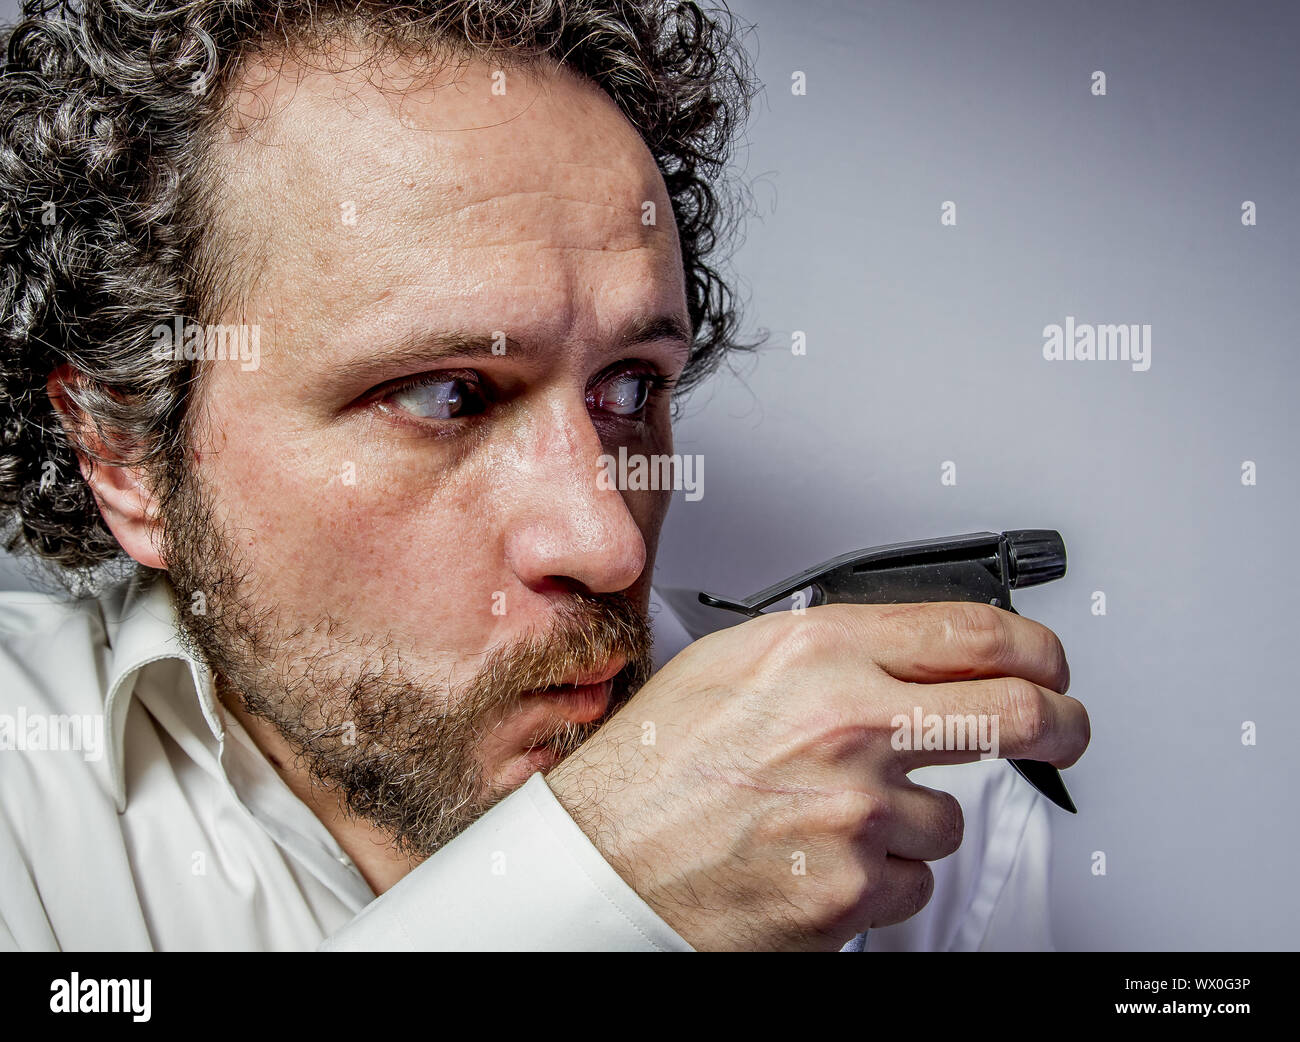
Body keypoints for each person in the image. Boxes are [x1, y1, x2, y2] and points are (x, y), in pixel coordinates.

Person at [0, 0, 1089, 951]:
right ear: (125, 448)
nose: (609, 541)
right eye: (447, 395)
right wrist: (590, 893)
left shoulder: (904, 810)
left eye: (627, 389)